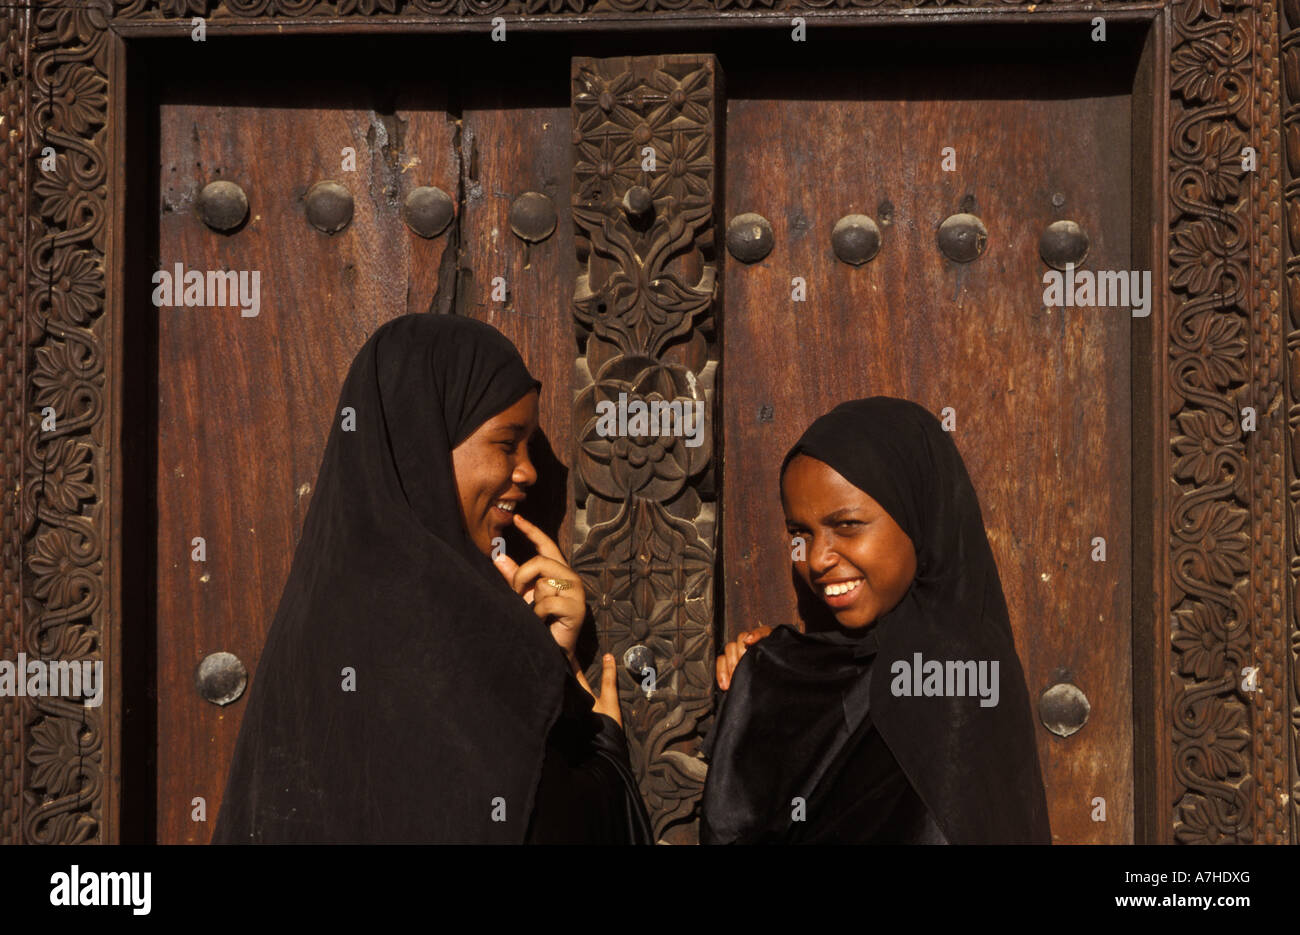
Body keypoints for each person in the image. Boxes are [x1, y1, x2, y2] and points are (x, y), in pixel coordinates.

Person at [211, 313, 651, 844]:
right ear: (426, 446)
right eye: (507, 443)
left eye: (529, 447)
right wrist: (604, 750)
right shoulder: (445, 637)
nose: (529, 471)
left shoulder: (316, 624)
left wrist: (546, 656)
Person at [702, 396, 1051, 845]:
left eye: (847, 525)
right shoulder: (820, 665)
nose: (817, 559)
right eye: (800, 533)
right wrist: (776, 677)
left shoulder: (954, 672)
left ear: (918, 516)